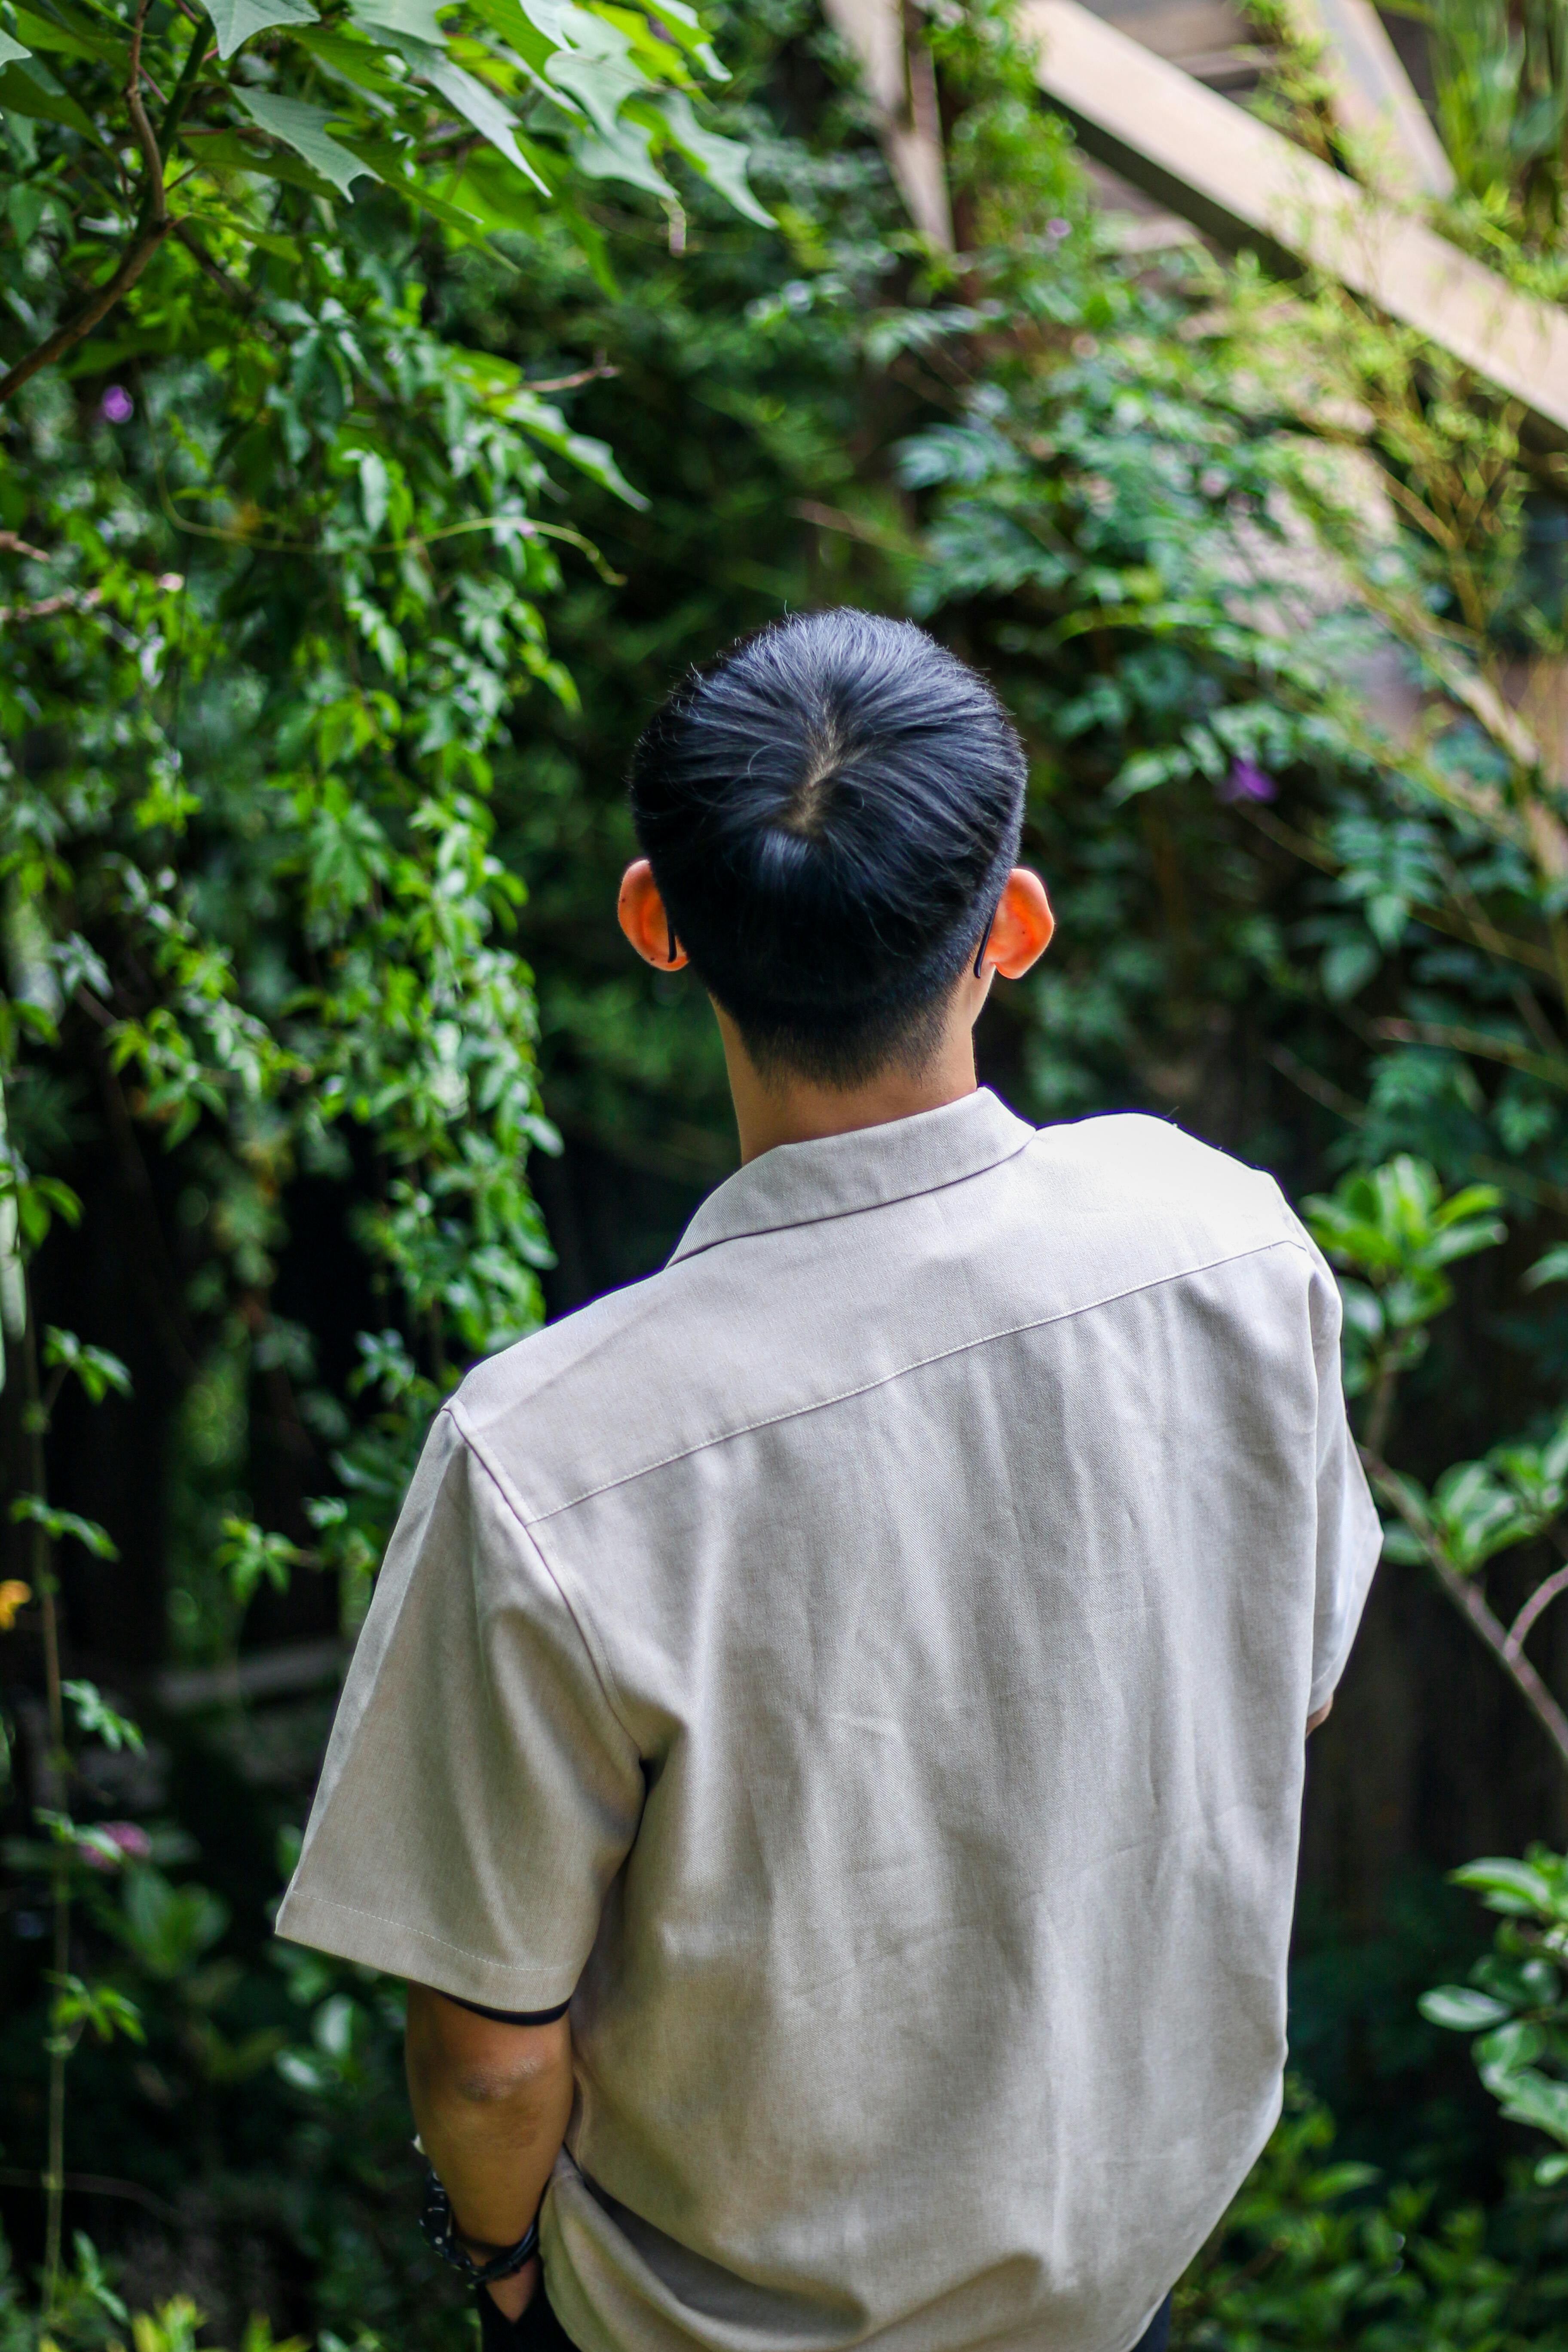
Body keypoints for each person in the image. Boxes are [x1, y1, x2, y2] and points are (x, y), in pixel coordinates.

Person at [276, 609, 1380, 2352]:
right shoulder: (1226, 1247)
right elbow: (1282, 1694)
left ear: (655, 918)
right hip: (1126, 2299)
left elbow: (487, 2055)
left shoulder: (551, 1454)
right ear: (1015, 926)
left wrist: (504, 2285)